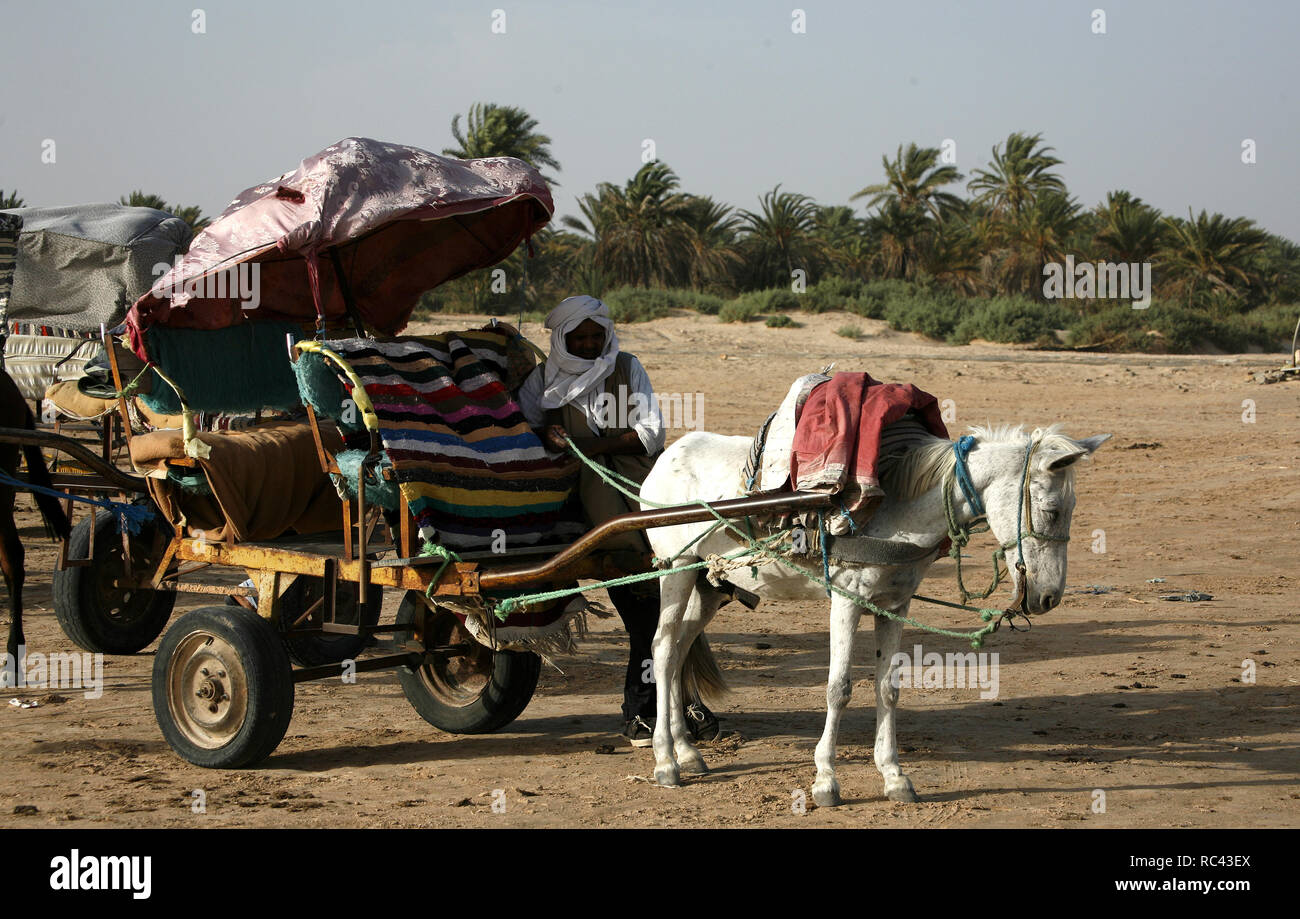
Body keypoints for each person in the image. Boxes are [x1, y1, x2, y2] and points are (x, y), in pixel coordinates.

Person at [513, 296, 718, 747]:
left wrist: (587, 444)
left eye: (595, 336)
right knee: (646, 604)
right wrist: (548, 435)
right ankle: (643, 711)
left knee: (678, 598)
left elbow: (650, 435)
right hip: (584, 493)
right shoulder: (542, 380)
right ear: (562, 339)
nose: (589, 345)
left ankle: (674, 705)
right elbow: (523, 428)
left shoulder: (626, 367)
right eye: (578, 338)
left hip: (642, 480)